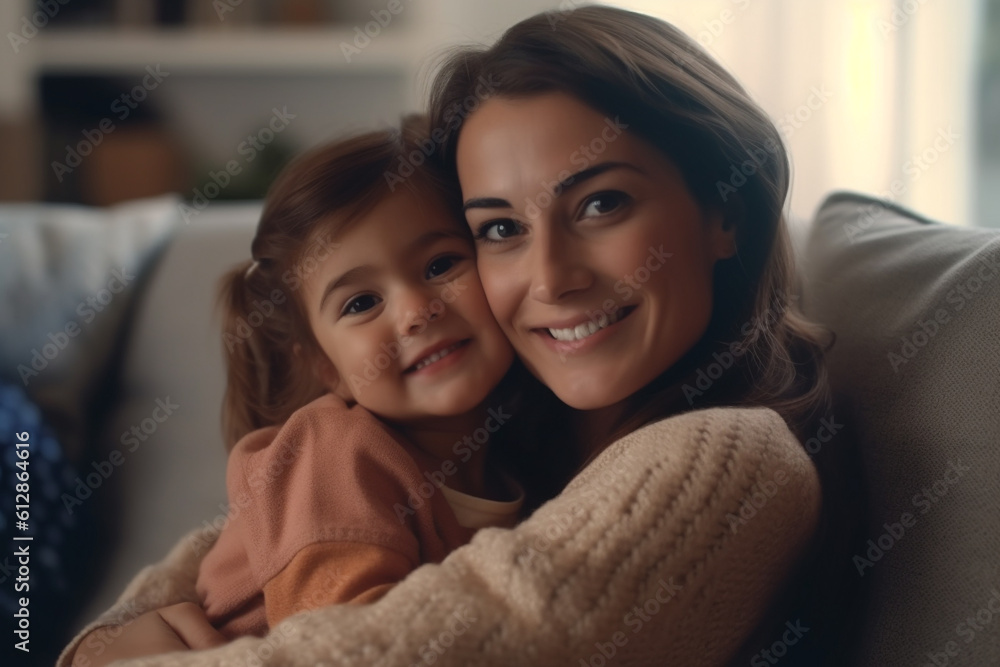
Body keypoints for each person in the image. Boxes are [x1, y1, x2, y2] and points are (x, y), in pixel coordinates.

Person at [59, 6, 866, 666]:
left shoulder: (732, 459)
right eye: (502, 227)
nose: (550, 279)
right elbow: (222, 555)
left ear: (725, 210)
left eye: (600, 204)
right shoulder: (488, 435)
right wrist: (99, 644)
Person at [70, 118, 531, 662]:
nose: (414, 312)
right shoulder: (333, 450)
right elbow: (347, 644)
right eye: (360, 304)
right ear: (325, 367)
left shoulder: (515, 456)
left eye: (440, 265)